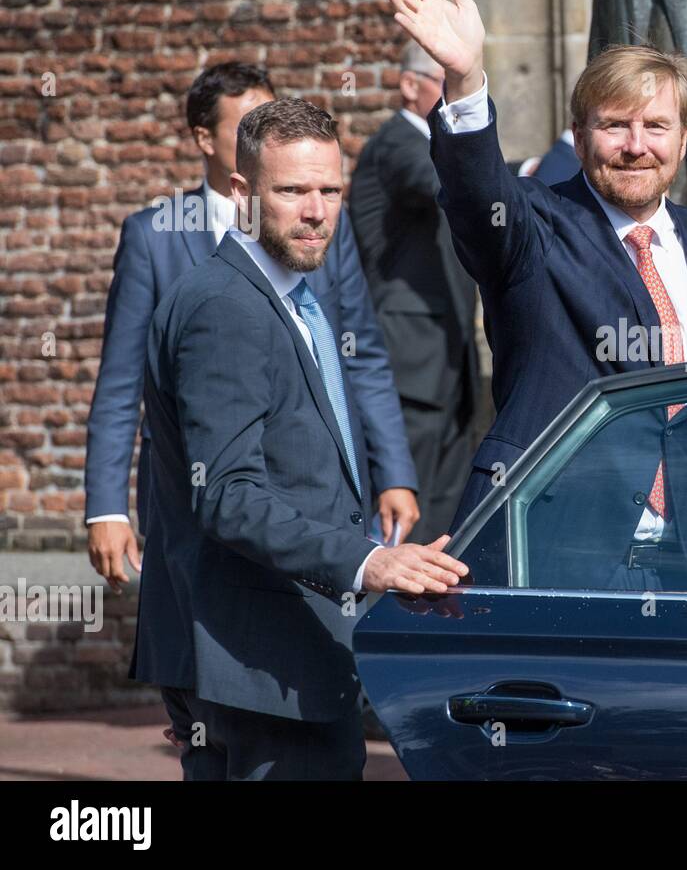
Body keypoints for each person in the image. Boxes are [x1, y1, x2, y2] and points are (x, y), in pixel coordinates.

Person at [380, 0, 687, 592]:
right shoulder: (534, 222)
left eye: (656, 127)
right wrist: (465, 77)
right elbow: (479, 194)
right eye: (615, 125)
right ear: (581, 133)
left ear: (685, 136)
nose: (636, 144)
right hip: (553, 552)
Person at [140, 98, 468, 780]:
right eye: (291, 191)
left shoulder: (292, 296)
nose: (316, 211)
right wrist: (367, 562)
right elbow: (227, 495)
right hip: (258, 666)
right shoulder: (227, 306)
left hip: (287, 655)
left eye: (329, 190)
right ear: (242, 193)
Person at [85, 63, 419, 591]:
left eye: (330, 191)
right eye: (247, 121)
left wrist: (393, 472)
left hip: (319, 504)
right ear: (204, 138)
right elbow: (121, 382)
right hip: (201, 496)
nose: (315, 208)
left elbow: (362, 354)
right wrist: (107, 506)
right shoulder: (156, 237)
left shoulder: (322, 225)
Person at [348, 42, 480, 541]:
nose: (455, 97)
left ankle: (431, 614)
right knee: (402, 513)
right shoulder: (398, 143)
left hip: (447, 364)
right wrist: (527, 174)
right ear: (410, 85)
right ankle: (381, 615)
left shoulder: (428, 146)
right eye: (446, 84)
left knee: (444, 519)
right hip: (409, 365)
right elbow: (440, 183)